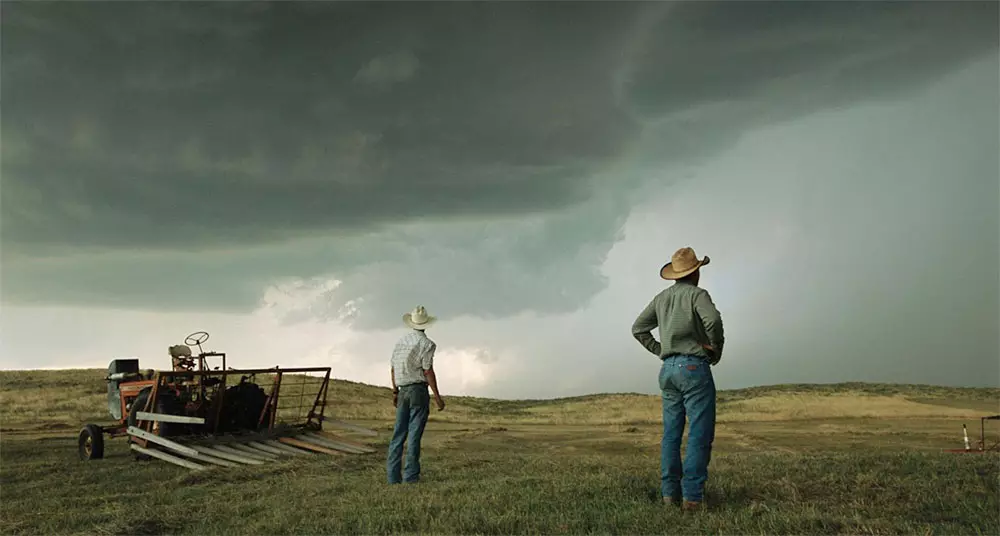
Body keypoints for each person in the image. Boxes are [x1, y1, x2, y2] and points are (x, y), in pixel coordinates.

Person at [631, 247, 725, 511]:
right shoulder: (698, 295)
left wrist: (661, 350)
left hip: (668, 370)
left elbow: (638, 328)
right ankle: (692, 497)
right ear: (695, 272)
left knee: (671, 434)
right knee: (699, 432)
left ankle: (668, 495)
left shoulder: (661, 298)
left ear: (675, 274)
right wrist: (715, 348)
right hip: (694, 367)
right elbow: (714, 321)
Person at [386, 305, 446, 484]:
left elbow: (392, 369)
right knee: (414, 434)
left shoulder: (400, 342)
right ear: (426, 324)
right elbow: (427, 371)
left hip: (403, 389)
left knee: (398, 434)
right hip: (418, 390)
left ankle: (392, 476)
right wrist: (437, 396)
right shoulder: (427, 344)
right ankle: (410, 477)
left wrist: (395, 391)